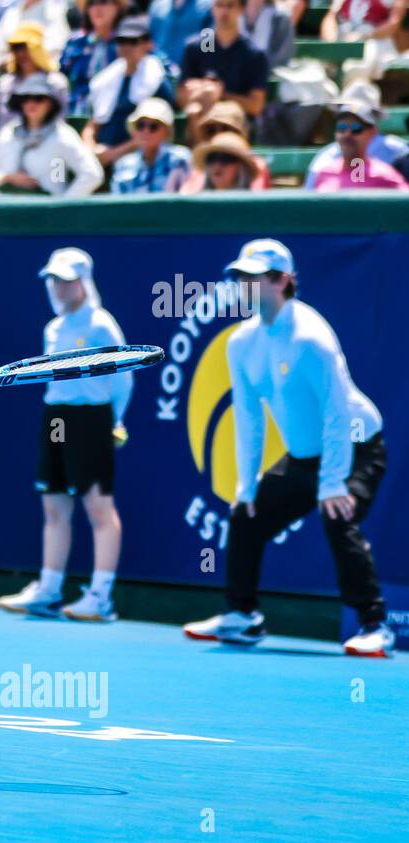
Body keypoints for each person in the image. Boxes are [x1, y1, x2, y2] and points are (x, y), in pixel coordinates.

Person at [184, 240, 394, 658]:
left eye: (253, 278)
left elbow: (337, 414)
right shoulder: (241, 343)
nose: (243, 286)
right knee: (247, 512)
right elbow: (248, 417)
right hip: (302, 456)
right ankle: (243, 615)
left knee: (338, 517)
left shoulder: (311, 338)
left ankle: (374, 624)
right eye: (239, 278)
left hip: (355, 444)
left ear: (283, 281)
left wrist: (333, 481)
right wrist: (245, 484)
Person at [0, 247, 131, 622]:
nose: (58, 287)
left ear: (83, 283)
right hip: (55, 416)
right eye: (54, 279)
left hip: (93, 419)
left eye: (66, 280)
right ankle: (49, 589)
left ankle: (101, 597)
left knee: (98, 507)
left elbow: (124, 379)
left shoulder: (102, 325)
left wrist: (115, 421)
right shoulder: (52, 329)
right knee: (53, 505)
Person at [0, 72, 104, 196]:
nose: (31, 104)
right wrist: (7, 178)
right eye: (26, 98)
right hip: (6, 208)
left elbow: (92, 174)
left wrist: (63, 205)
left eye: (38, 98)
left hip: (46, 210)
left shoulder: (62, 136)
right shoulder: (8, 132)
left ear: (50, 103)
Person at [82, 16, 177, 169]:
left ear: (148, 44)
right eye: (121, 41)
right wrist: (91, 149)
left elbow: (157, 131)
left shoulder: (158, 82)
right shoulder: (105, 80)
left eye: (133, 42)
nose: (126, 47)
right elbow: (92, 125)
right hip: (99, 159)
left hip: (138, 161)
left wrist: (113, 153)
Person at [178, 0, 270, 144]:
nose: (224, 12)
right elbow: (182, 96)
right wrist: (204, 89)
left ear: (241, 9)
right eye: (219, 5)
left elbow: (256, 105)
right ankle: (203, 159)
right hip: (202, 114)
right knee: (194, 109)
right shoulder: (200, 44)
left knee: (220, 114)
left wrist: (221, 94)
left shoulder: (253, 52)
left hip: (236, 119)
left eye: (230, 5)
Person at [306, 86, 409, 191]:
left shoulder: (386, 174)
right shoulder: (324, 167)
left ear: (372, 131)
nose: (347, 134)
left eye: (356, 128)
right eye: (341, 127)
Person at [0, 21, 69, 140]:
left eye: (25, 47)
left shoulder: (56, 83)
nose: (21, 53)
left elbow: (59, 123)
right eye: (16, 48)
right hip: (8, 146)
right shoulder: (5, 83)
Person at [109, 96, 192, 193]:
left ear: (167, 132)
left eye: (154, 126)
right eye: (140, 125)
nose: (146, 131)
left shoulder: (180, 158)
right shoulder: (123, 164)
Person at [59, 0, 122, 115]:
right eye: (91, 3)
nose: (97, 9)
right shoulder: (76, 42)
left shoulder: (128, 42)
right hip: (76, 113)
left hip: (113, 115)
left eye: (103, 2)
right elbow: (61, 78)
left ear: (117, 7)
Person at [178, 130, 264, 191]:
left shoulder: (254, 205)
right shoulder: (197, 203)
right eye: (212, 158)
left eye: (226, 158)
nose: (217, 165)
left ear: (241, 167)